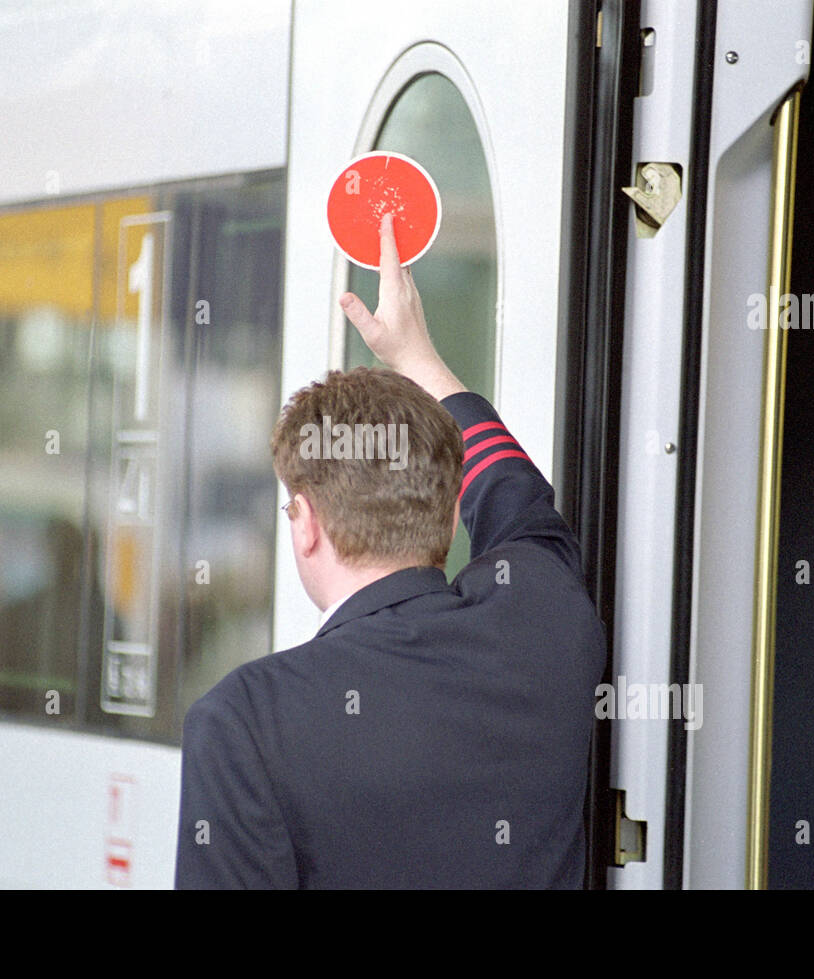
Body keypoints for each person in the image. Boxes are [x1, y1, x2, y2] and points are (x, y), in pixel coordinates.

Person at [174, 215, 607, 888]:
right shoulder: (541, 628)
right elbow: (519, 502)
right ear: (443, 504)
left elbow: (512, 500)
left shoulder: (244, 721)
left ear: (307, 522)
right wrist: (418, 358)